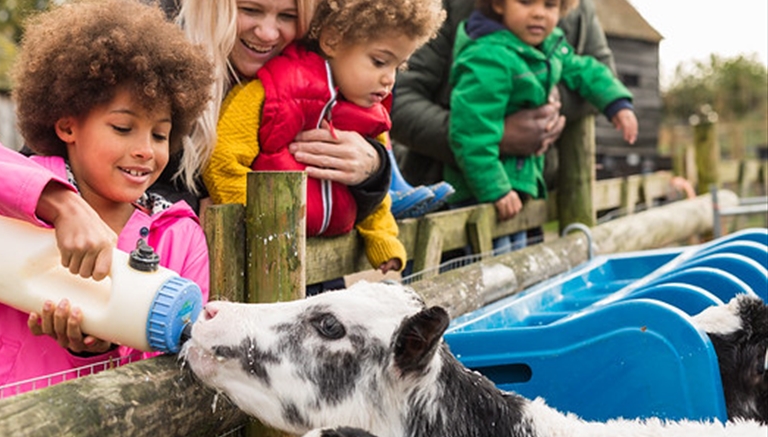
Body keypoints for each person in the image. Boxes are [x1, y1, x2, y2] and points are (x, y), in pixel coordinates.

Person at [0, 0, 213, 416]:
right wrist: (57, 203)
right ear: (67, 126)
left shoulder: (178, 236)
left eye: (159, 135)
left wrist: (99, 348)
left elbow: (175, 377)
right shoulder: (15, 189)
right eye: (123, 127)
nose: (144, 151)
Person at [202, 0, 445, 274]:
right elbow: (223, 157)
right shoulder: (278, 86)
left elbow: (378, 201)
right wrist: (255, 219)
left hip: (325, 264)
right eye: (379, 62)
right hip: (268, 258)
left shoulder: (370, 116)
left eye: (398, 67)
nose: (389, 79)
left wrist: (383, 239)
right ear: (332, 40)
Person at [159, 0, 394, 220]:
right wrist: (189, 208)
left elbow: (328, 209)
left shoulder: (318, 60)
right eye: (250, 10)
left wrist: (374, 170)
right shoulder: (160, 48)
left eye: (287, 16)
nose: (268, 33)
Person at [446, 0, 638, 252]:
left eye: (550, 5)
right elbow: (470, 132)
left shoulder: (550, 48)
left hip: (519, 192)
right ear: (499, 4)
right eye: (526, 2)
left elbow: (585, 69)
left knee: (524, 270)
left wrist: (617, 103)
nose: (538, 13)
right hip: (482, 198)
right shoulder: (488, 57)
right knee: (496, 277)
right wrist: (495, 188)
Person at [391, 0, 615, 191]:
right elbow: (398, 98)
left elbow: (604, 76)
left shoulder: (580, 8)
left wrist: (545, 97)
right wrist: (492, 135)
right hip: (445, 189)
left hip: (533, 186)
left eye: (549, 4)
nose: (539, 12)